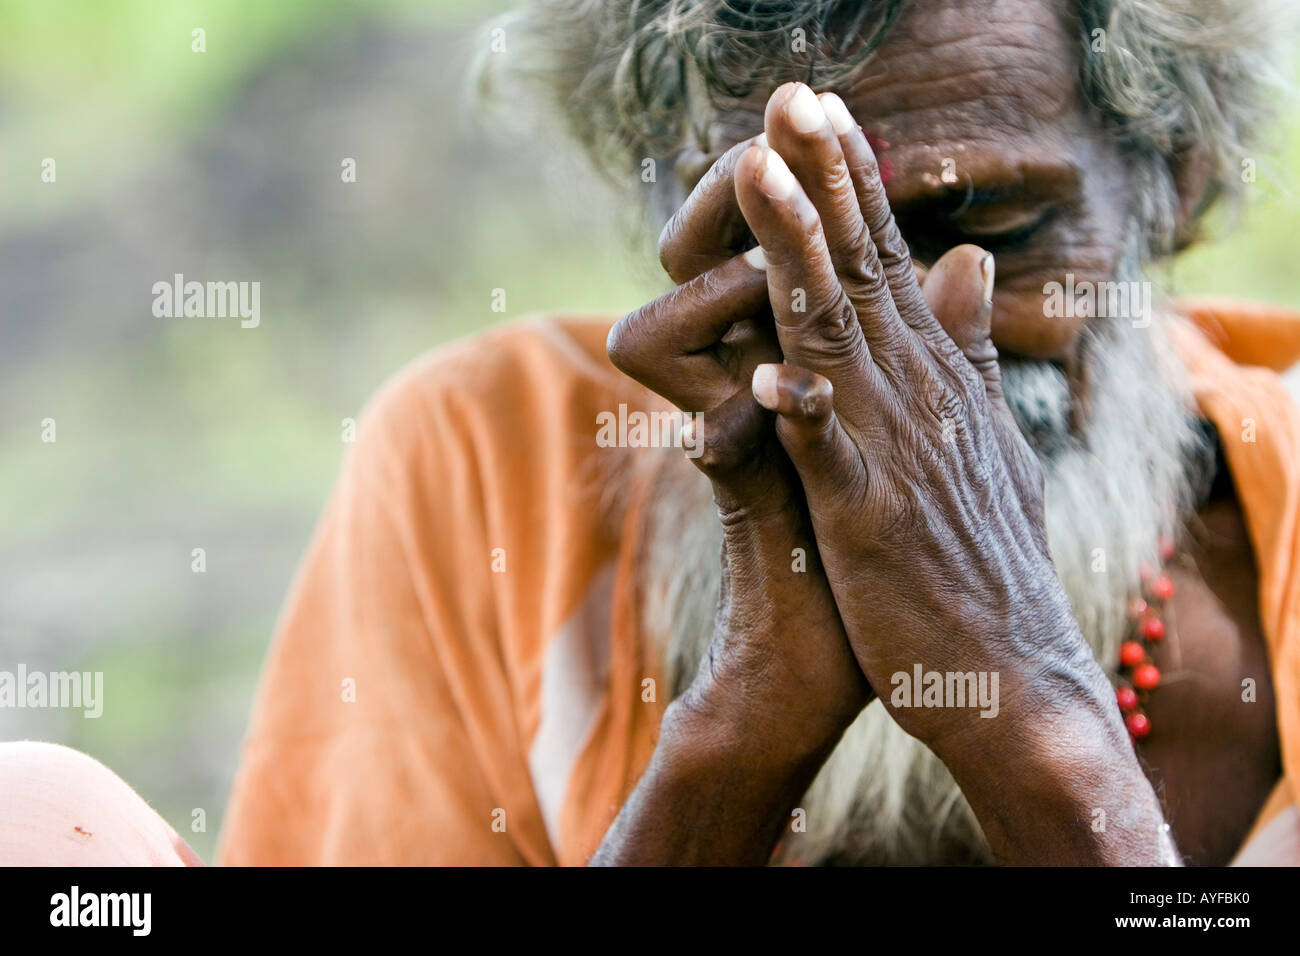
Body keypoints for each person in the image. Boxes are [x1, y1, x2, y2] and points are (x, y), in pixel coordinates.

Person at [6, 0, 1299, 866]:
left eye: (994, 234)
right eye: (775, 245)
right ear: (665, 218)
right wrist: (743, 726)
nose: (887, 356)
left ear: (1176, 186)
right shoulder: (488, 468)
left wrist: (1030, 700)